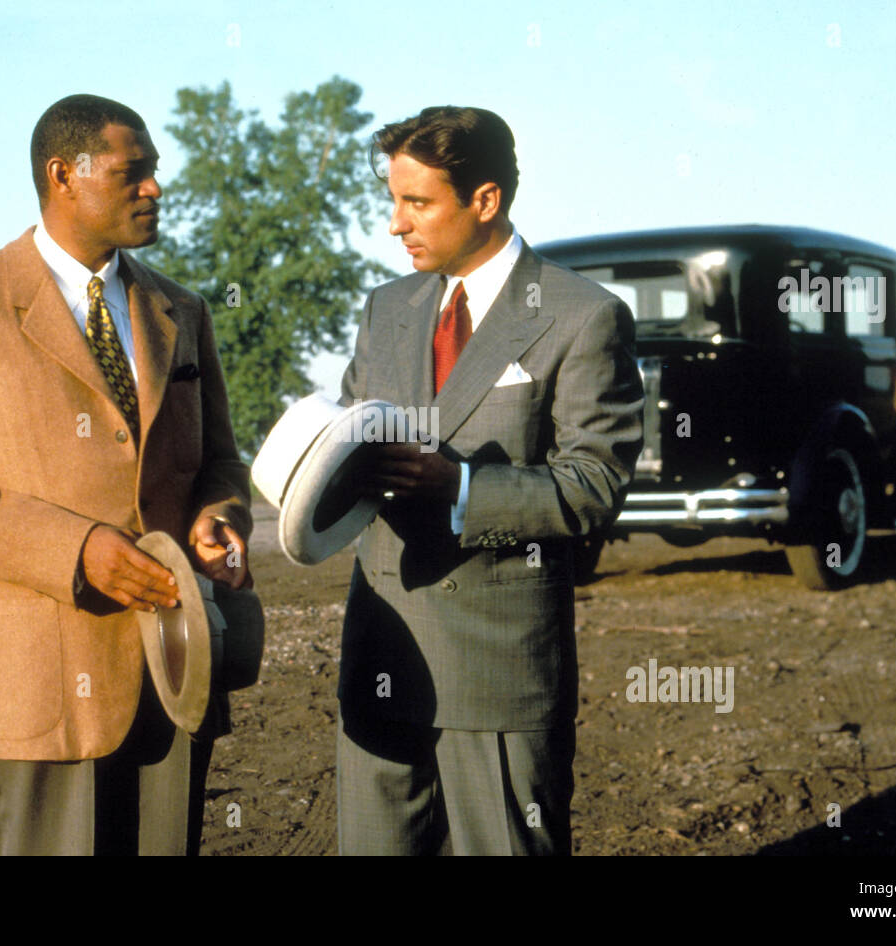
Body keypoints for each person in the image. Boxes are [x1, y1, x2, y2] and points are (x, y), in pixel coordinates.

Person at [0, 94, 252, 855]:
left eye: (154, 172)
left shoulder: (180, 310)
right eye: (136, 172)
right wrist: (79, 550)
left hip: (178, 670)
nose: (156, 187)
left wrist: (220, 519)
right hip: (48, 691)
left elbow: (220, 460)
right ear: (63, 175)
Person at [336, 106, 644, 855]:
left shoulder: (582, 316)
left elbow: (596, 484)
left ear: (485, 200)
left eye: (417, 203)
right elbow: (348, 432)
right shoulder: (386, 310)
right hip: (382, 658)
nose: (394, 225)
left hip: (498, 672)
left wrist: (461, 488)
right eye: (392, 200)